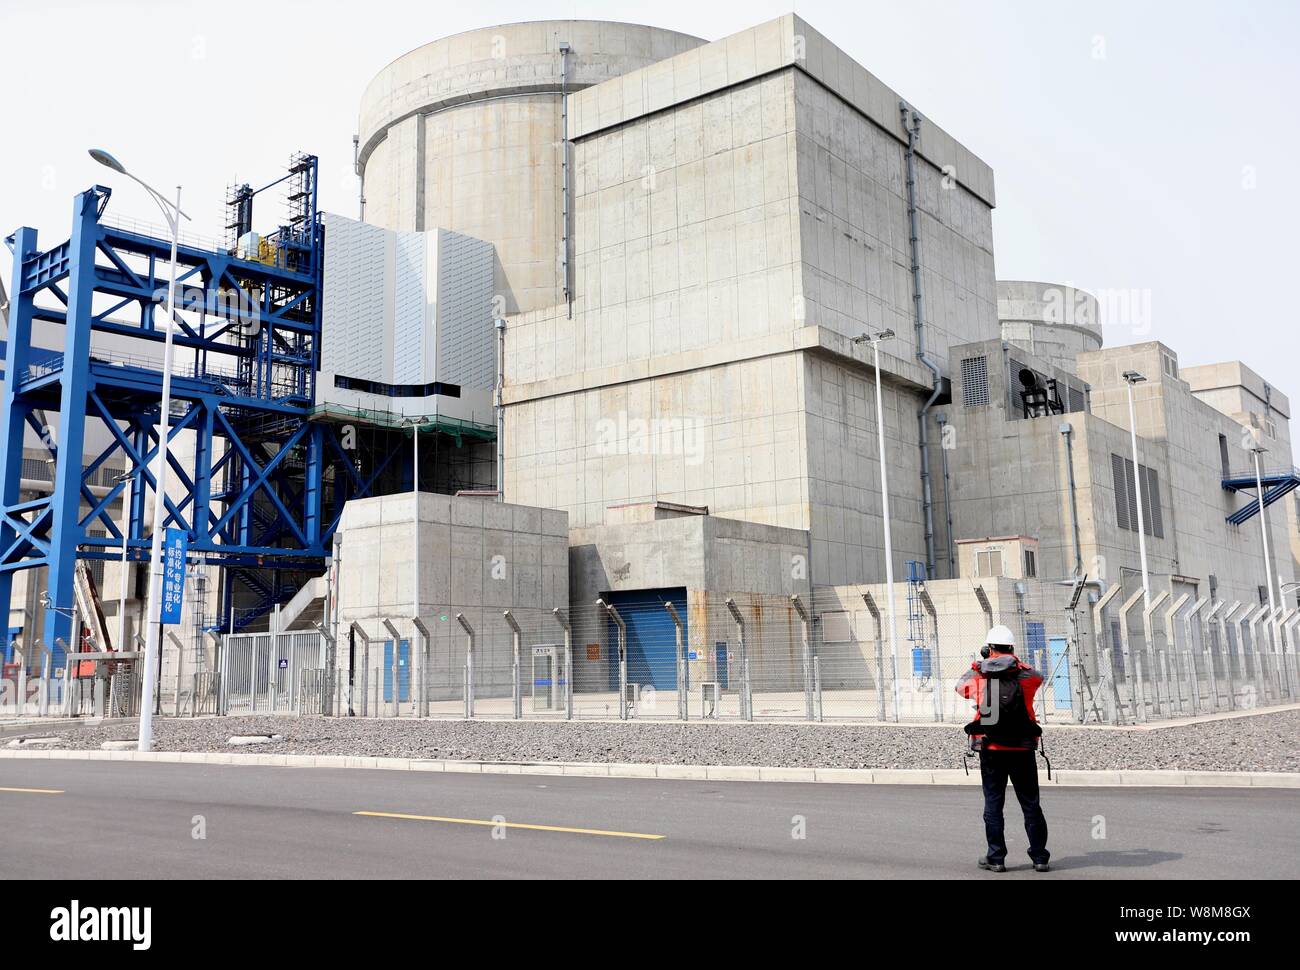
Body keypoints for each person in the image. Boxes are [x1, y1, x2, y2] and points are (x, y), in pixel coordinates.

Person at [955, 625, 1051, 873]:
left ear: (989, 648)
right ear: (1012, 648)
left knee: (993, 804)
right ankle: (1039, 857)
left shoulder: (979, 676)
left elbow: (960, 687)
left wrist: (980, 663)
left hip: (991, 747)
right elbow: (1040, 676)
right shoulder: (1027, 676)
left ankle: (996, 857)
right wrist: (1015, 663)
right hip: (1023, 748)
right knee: (1030, 804)